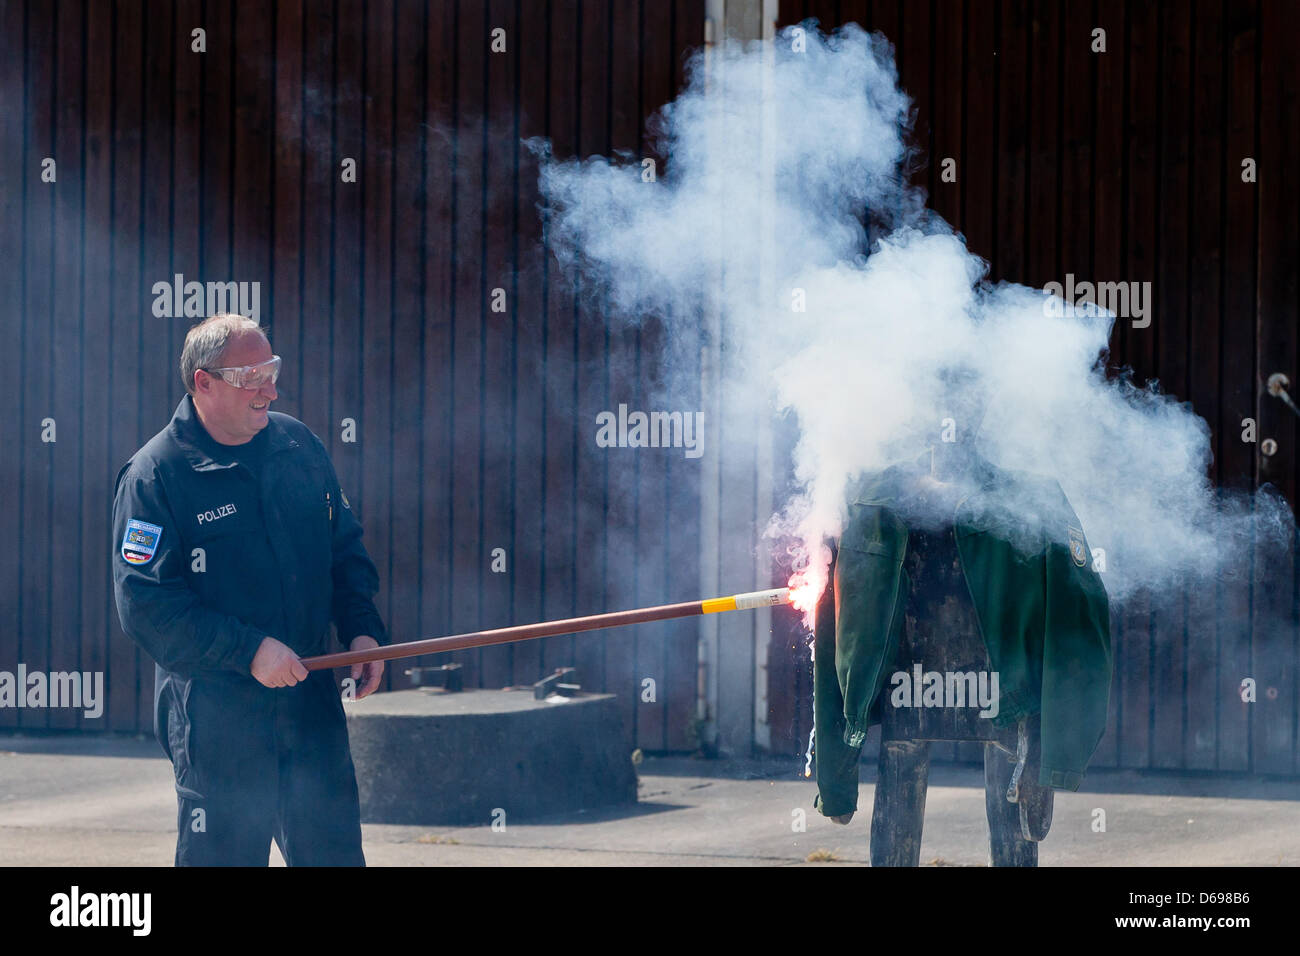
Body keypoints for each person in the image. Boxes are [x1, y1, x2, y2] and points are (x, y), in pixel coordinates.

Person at [112, 313, 388, 866]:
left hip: (311, 710)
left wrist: (361, 629)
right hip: (219, 724)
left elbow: (345, 551)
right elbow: (146, 605)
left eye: (272, 369)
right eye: (251, 376)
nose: (270, 388)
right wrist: (249, 651)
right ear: (203, 383)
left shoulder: (299, 446)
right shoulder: (155, 476)